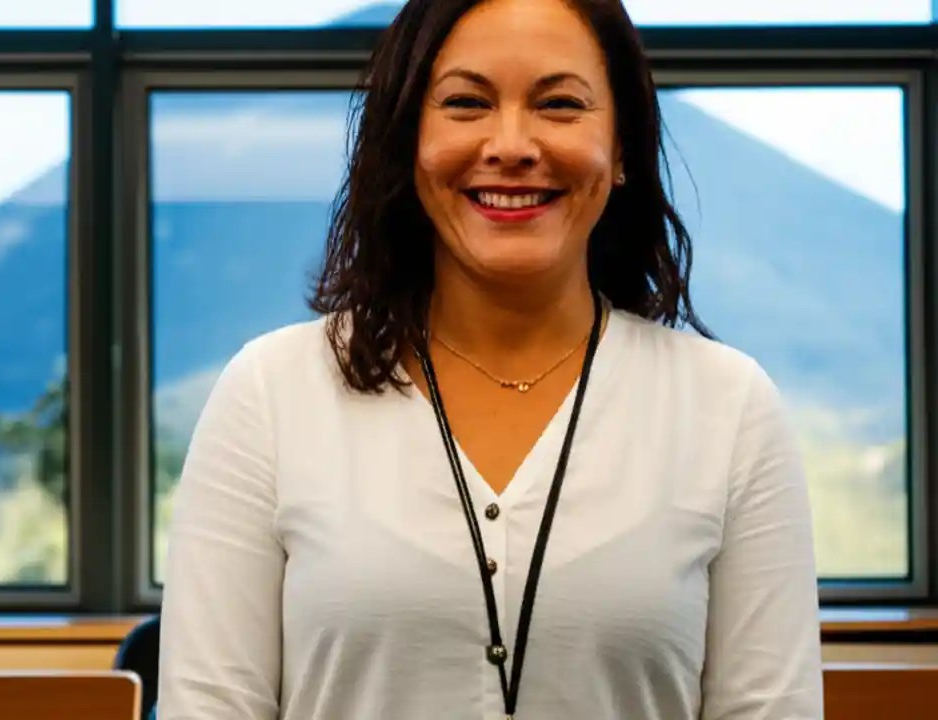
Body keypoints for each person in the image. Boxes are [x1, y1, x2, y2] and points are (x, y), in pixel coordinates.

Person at [157, 0, 824, 717]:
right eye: (467, 103)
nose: (511, 145)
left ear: (623, 145)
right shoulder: (271, 394)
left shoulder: (728, 408)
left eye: (560, 104)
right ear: (407, 141)